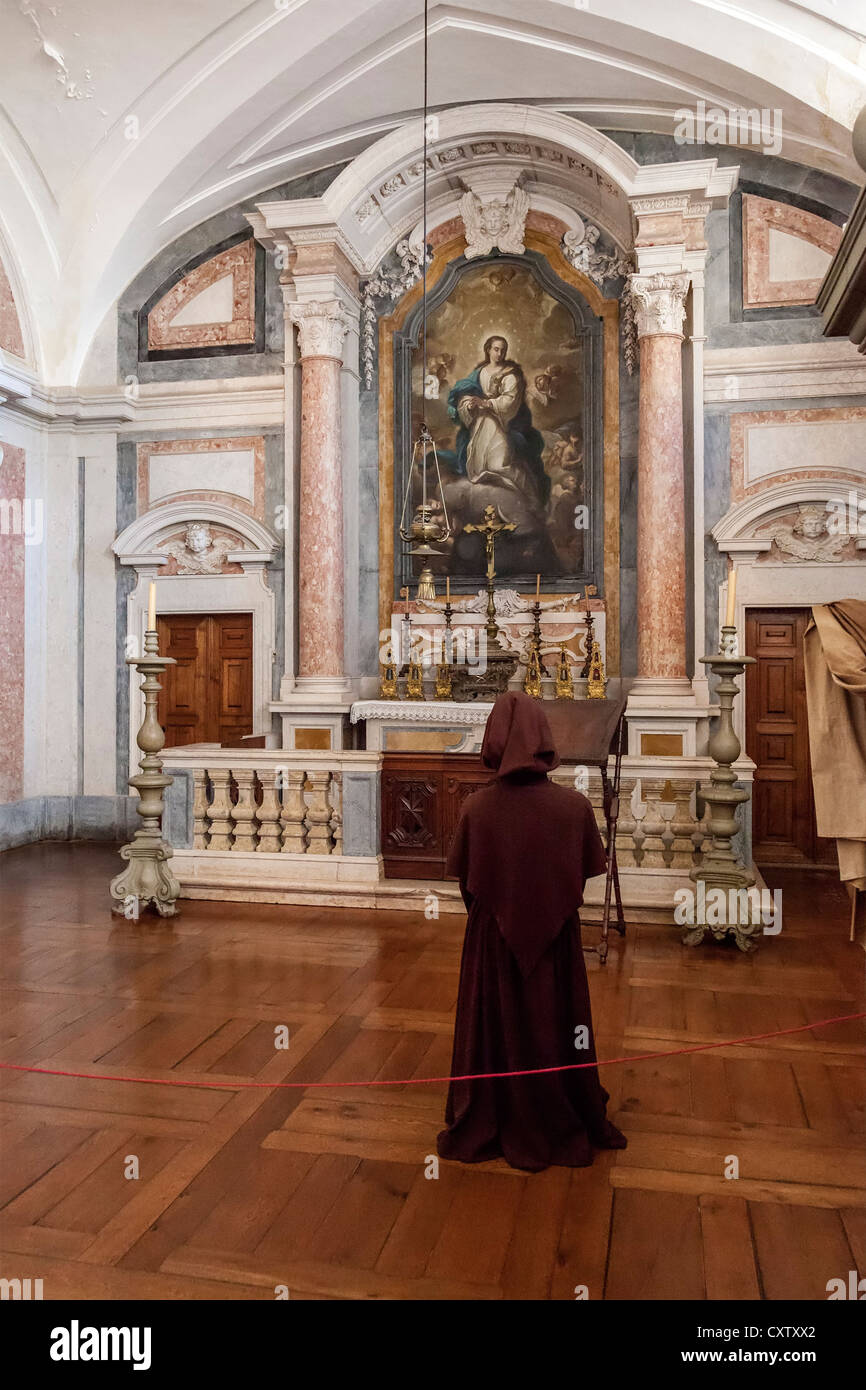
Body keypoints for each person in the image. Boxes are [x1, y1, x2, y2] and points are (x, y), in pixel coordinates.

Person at [437, 690, 627, 1171]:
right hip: (556, 944)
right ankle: (562, 1103)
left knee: (494, 1022)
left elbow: (468, 884)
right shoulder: (575, 808)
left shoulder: (476, 809)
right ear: (544, 738)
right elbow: (582, 874)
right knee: (559, 1021)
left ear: (494, 740)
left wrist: (500, 912)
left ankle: (491, 1108)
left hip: (492, 942)